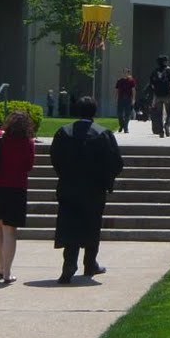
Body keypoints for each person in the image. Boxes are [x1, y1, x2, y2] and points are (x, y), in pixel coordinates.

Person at [51, 95, 123, 283]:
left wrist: (65, 175)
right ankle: (90, 264)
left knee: (70, 224)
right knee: (92, 224)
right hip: (94, 188)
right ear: (94, 112)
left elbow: (55, 159)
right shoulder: (102, 134)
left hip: (68, 187)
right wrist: (106, 180)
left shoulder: (63, 133)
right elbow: (115, 163)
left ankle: (69, 264)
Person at [0, 109, 36, 284]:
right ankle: (8, 272)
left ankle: (0, 268)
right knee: (10, 231)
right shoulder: (28, 142)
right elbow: (28, 166)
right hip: (16, 188)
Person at [148, 55, 170, 137]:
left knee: (159, 114)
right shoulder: (169, 70)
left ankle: (161, 131)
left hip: (158, 95)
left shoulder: (154, 71)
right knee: (169, 112)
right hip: (167, 94)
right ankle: (167, 125)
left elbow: (151, 84)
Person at [113, 67, 137, 133]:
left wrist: (133, 99)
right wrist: (115, 98)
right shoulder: (119, 81)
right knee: (119, 114)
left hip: (128, 98)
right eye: (124, 72)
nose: (125, 73)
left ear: (128, 73)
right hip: (120, 98)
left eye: (126, 72)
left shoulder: (131, 81)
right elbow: (116, 90)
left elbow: (133, 90)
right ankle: (122, 125)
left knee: (127, 114)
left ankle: (125, 128)